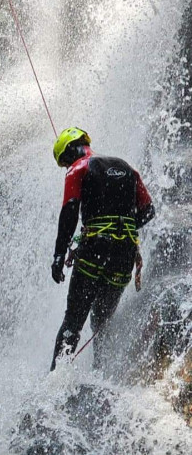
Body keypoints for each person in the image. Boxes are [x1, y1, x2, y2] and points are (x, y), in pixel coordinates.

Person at [49, 127, 155, 371]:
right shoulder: (129, 168)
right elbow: (149, 210)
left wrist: (58, 255)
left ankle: (54, 381)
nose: (66, 167)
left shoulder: (79, 168)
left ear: (70, 150)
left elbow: (69, 212)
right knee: (100, 322)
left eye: (64, 162)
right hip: (124, 255)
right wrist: (122, 229)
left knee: (74, 320)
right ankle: (101, 376)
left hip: (95, 249)